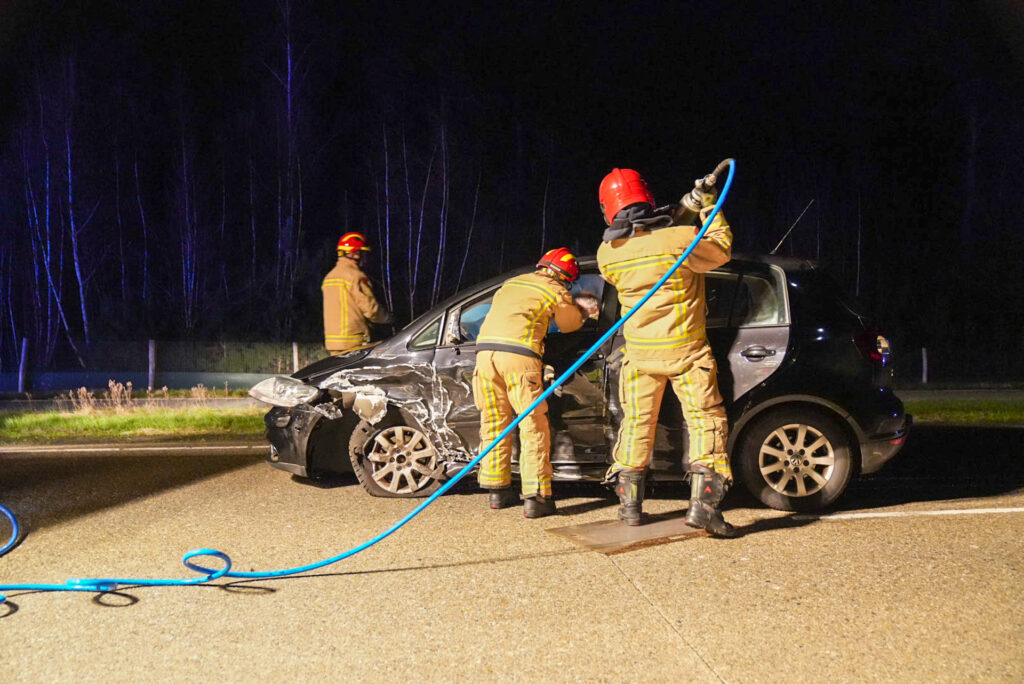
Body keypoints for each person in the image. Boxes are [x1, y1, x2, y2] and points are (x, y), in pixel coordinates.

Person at [595, 168, 738, 537]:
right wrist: (709, 206)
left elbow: (644, 241)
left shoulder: (608, 254)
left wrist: (677, 215)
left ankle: (629, 507)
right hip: (685, 350)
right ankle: (704, 509)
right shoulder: (682, 240)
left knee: (637, 425)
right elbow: (720, 249)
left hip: (640, 353)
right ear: (647, 197)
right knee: (705, 420)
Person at [473, 248, 597, 518]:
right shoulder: (555, 290)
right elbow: (570, 325)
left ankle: (498, 491)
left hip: (484, 357)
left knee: (494, 422)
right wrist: (584, 312)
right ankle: (536, 498)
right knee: (532, 426)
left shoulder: (511, 284)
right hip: (519, 358)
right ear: (565, 276)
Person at [322, 232, 392, 355]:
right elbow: (371, 310)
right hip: (354, 342)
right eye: (363, 253)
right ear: (355, 254)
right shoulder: (356, 276)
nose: (365, 258)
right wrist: (389, 319)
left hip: (333, 343)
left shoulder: (329, 278)